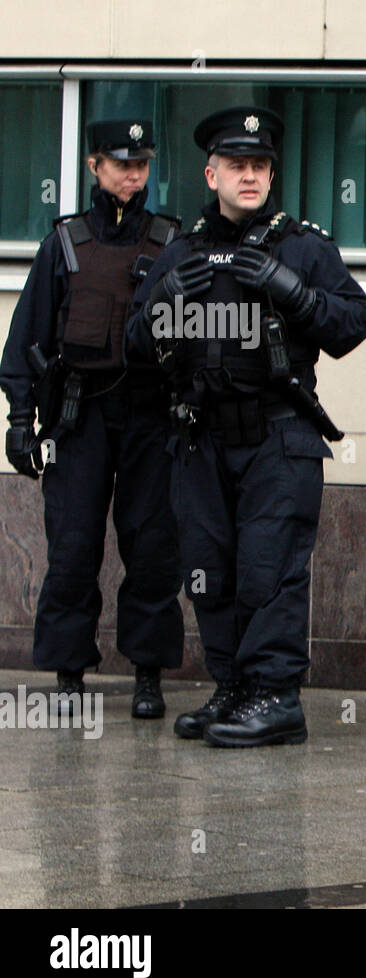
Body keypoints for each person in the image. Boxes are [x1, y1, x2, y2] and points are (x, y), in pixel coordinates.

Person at [126, 106, 366, 747]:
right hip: (200, 437)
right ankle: (233, 687)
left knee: (270, 568)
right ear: (211, 173)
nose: (250, 176)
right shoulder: (180, 252)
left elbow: (351, 326)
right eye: (237, 165)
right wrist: (163, 302)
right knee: (209, 568)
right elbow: (132, 347)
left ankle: (277, 697)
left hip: (277, 435)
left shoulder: (303, 246)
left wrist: (294, 291)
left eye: (260, 165)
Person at [2, 119, 183, 719]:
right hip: (79, 416)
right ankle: (68, 674)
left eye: (141, 164)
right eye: (120, 163)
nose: (132, 174)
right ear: (94, 166)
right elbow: (25, 336)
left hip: (151, 415)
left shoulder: (171, 242)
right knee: (74, 546)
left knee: (152, 547)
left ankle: (148, 673)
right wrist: (21, 421)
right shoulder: (66, 243)